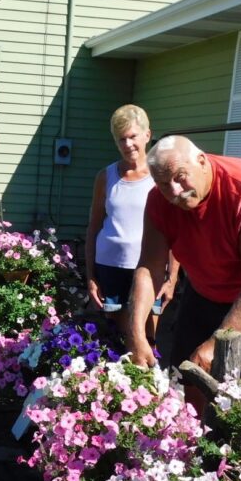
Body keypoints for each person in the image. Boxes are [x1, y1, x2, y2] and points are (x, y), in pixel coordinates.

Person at [126, 135, 241, 385]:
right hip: (205, 283)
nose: (174, 191)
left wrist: (216, 343)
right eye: (163, 184)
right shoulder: (159, 200)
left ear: (201, 161)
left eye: (180, 176)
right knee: (188, 369)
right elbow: (149, 268)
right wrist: (136, 333)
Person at [85, 105, 178, 339]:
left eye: (132, 136)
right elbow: (93, 227)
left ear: (147, 135)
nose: (127, 145)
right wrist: (91, 276)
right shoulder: (105, 177)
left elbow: (176, 231)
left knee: (147, 338)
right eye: (121, 139)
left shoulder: (162, 177)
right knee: (116, 338)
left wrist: (172, 277)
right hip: (110, 267)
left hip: (150, 269)